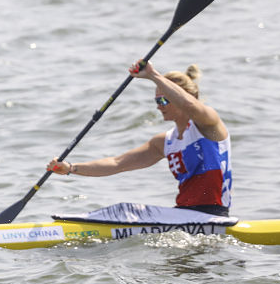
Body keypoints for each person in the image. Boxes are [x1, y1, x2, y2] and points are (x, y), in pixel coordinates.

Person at [46, 61, 232, 216]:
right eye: (156, 101)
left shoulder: (209, 126)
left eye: (164, 100)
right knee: (123, 210)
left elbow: (190, 105)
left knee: (126, 212)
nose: (159, 106)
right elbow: (117, 163)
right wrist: (70, 168)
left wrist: (153, 75)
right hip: (183, 214)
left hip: (213, 215)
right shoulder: (165, 142)